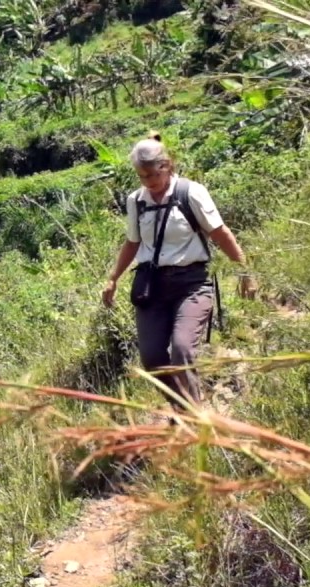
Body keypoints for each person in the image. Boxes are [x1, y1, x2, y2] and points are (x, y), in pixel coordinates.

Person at [100, 132, 256, 410]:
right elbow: (132, 242)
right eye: (142, 177)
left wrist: (245, 271)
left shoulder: (190, 192)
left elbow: (220, 233)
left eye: (153, 175)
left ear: (167, 166)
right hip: (152, 287)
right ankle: (183, 408)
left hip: (192, 284)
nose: (149, 183)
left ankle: (194, 420)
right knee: (152, 360)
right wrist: (113, 278)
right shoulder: (136, 201)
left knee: (183, 351)